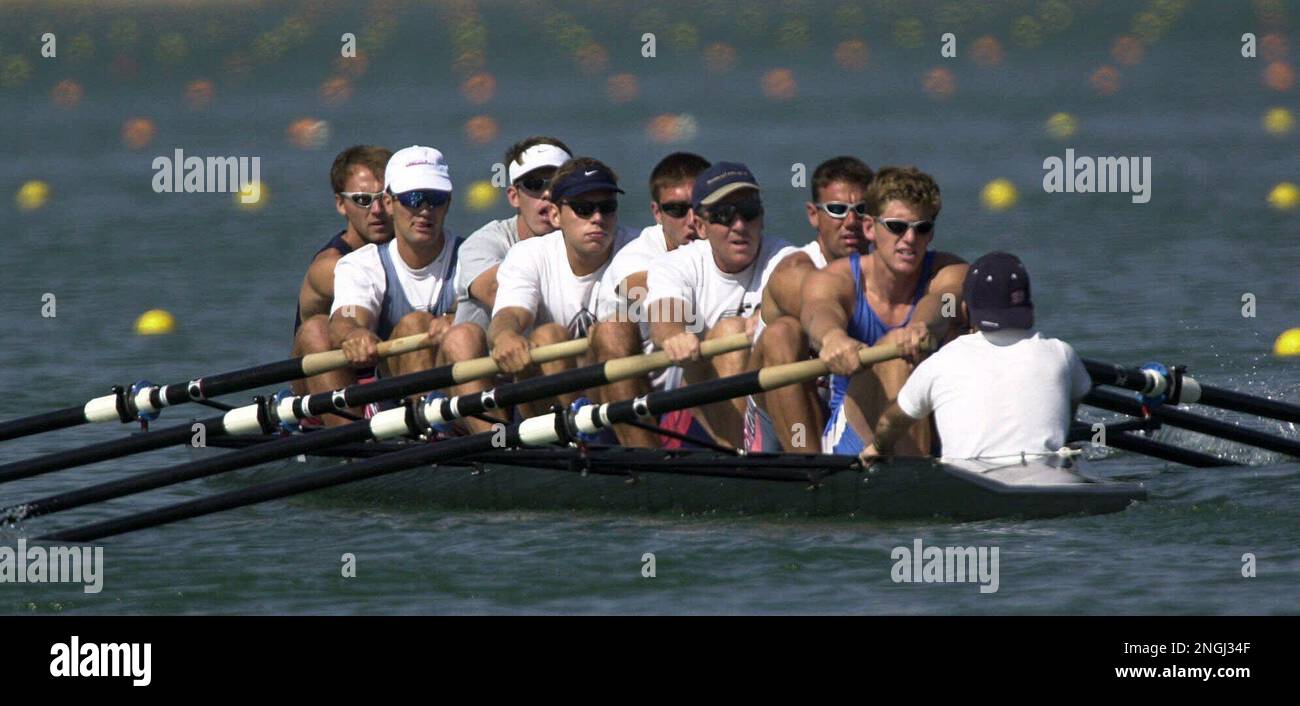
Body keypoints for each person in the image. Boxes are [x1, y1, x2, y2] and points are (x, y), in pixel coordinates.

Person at [859, 252, 1092, 463]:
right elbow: (1068, 414)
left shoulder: (941, 362)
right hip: (1050, 479)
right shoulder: (1062, 353)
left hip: (970, 484)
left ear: (965, 310)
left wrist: (879, 447)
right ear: (1028, 307)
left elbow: (889, 423)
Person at [800, 166, 969, 456]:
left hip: (932, 425)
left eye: (922, 228)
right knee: (895, 352)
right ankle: (915, 479)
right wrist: (831, 338)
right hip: (853, 432)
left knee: (962, 329)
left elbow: (947, 300)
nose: (910, 239)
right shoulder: (834, 279)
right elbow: (818, 311)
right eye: (896, 227)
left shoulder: (950, 271)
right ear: (869, 228)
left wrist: (922, 326)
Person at [328, 145, 494, 434]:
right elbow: (347, 316)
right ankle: (431, 440)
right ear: (390, 203)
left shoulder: (474, 257)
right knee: (416, 325)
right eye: (413, 199)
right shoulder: (361, 265)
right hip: (392, 408)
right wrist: (354, 334)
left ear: (449, 202)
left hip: (459, 398)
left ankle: (491, 441)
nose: (425, 210)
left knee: (461, 335)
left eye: (436, 199)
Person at [644, 161, 799, 448]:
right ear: (701, 227)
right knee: (730, 331)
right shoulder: (676, 264)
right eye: (724, 215)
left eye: (749, 212)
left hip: (766, 406)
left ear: (761, 218)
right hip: (692, 417)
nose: (739, 225)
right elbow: (664, 315)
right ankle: (744, 463)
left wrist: (768, 316)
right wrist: (673, 336)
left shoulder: (785, 258)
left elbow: (798, 296)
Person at [745, 156, 874, 453]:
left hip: (847, 405)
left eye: (862, 211)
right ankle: (812, 470)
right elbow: (817, 301)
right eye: (838, 210)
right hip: (780, 420)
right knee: (782, 333)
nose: (851, 222)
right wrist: (832, 337)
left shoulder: (890, 270)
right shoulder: (794, 268)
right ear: (814, 215)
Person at [487, 157, 634, 417]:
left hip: (616, 396)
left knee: (613, 331)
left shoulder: (636, 248)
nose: (598, 218)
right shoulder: (529, 255)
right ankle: (568, 442)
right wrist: (505, 336)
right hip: (548, 404)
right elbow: (510, 313)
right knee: (548, 337)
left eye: (607, 207)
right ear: (555, 214)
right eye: (583, 208)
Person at [589, 152, 711, 447]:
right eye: (677, 210)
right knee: (613, 329)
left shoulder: (732, 241)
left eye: (700, 208)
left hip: (693, 389)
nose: (691, 220)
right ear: (657, 213)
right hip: (631, 401)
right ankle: (645, 460)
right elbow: (653, 294)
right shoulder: (635, 257)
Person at [290, 145, 394, 409]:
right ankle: (348, 436)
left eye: (386, 197)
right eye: (362, 199)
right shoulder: (330, 266)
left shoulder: (411, 249)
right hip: (327, 383)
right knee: (318, 330)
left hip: (384, 372)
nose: (377, 210)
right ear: (340, 204)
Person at [454, 136, 573, 332]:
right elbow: (499, 293)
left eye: (558, 183)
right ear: (514, 196)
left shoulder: (592, 236)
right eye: (535, 184)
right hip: (488, 357)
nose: (548, 194)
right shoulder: (481, 244)